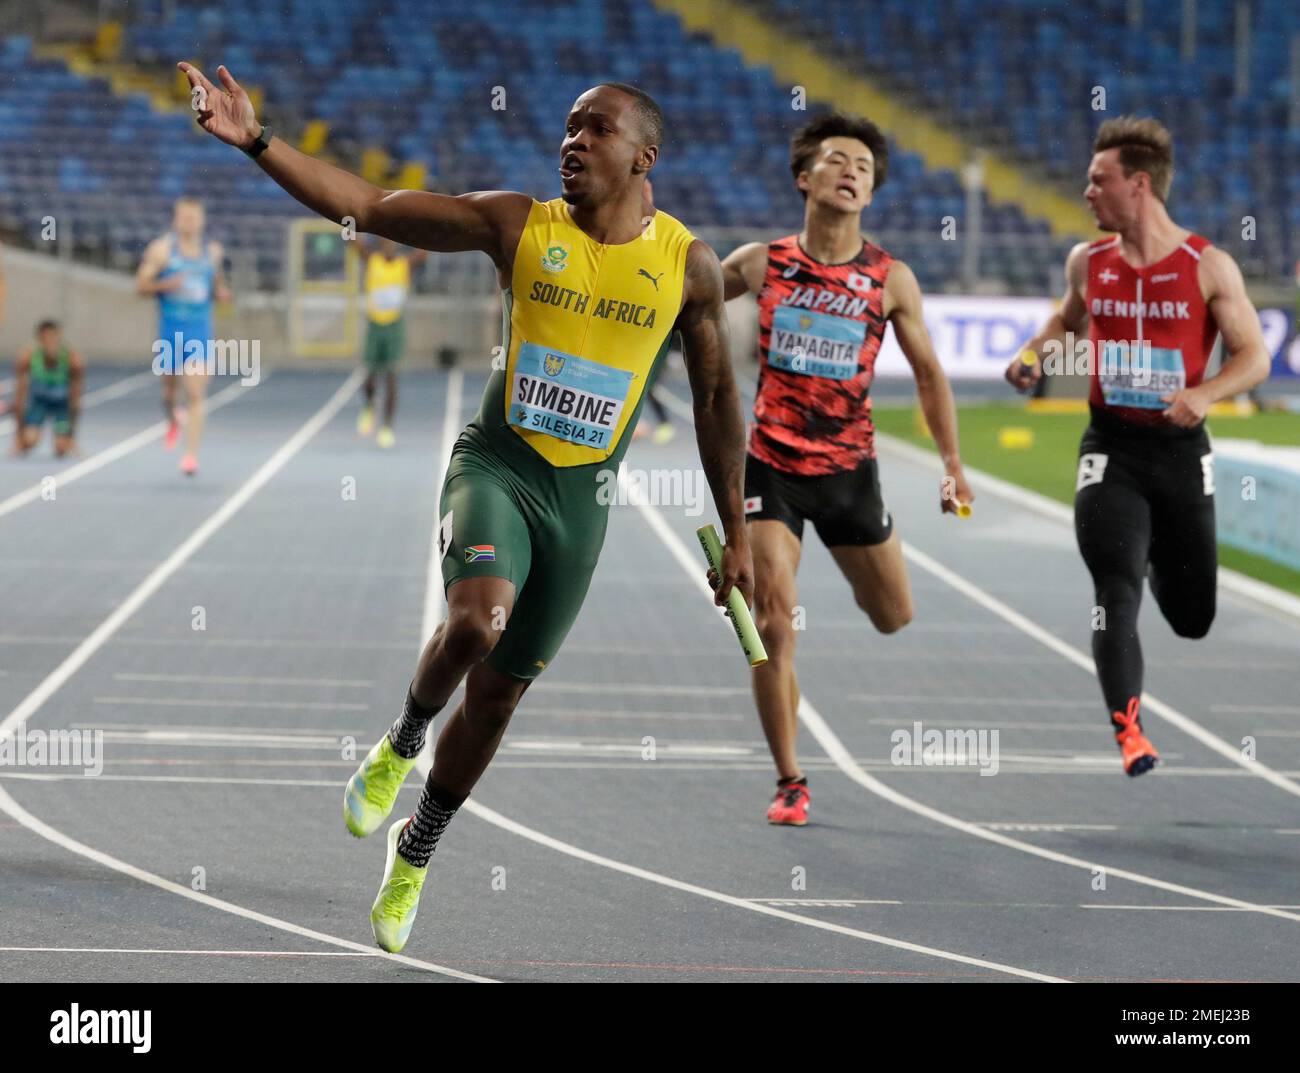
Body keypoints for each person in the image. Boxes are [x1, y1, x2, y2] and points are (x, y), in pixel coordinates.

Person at [180, 61, 754, 952]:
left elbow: (717, 403)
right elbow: (369, 207)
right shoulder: (516, 224)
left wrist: (739, 531)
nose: (572, 140)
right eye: (567, 125)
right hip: (497, 466)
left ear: (645, 155)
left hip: (582, 503)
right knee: (477, 623)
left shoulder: (690, 268)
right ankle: (403, 736)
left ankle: (416, 851)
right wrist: (256, 139)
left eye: (595, 129)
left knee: (495, 702)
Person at [720, 113, 972, 825]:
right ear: (805, 178)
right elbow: (680, 303)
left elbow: (929, 375)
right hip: (771, 467)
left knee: (894, 615)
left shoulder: (890, 279)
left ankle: (790, 691)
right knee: (772, 622)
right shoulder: (760, 263)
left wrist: (952, 465)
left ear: (871, 190)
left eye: (863, 164)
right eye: (836, 158)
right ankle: (791, 778)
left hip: (850, 472)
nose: (851, 170)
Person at [1007, 116, 1270, 775]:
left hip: (1180, 452)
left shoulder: (1207, 265)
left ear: (1140, 184)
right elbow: (1067, 318)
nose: (1086, 191)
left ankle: (1155, 554)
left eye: (1100, 180)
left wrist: (1206, 393)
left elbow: (1255, 357)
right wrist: (1034, 354)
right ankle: (1129, 728)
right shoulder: (1086, 262)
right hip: (1111, 448)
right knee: (1113, 583)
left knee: (1192, 617)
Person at [135, 197, 232, 476]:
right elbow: (140, 286)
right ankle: (172, 417)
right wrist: (166, 284)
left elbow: (216, 284)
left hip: (199, 333)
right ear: (176, 220)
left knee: (195, 393)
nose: (189, 222)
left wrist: (222, 293)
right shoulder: (162, 250)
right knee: (168, 394)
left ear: (202, 220)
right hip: (170, 333)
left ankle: (190, 456)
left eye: (194, 217)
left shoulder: (211, 252)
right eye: (184, 217)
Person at [356, 235, 426, 447]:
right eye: (385, 243)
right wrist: (350, 220)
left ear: (397, 246)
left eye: (392, 243)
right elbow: (353, 241)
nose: (389, 247)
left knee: (391, 379)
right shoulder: (372, 260)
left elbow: (424, 253)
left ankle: (387, 427)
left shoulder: (404, 265)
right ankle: (369, 406)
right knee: (369, 377)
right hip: (375, 325)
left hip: (395, 327)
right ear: (379, 245)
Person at [12, 320, 83, 458]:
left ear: (58, 337)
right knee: (29, 441)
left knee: (61, 449)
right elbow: (20, 396)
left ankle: (63, 438)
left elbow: (76, 397)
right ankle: (26, 438)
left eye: (53, 337)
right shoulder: (28, 357)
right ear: (39, 339)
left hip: (61, 405)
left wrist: (71, 434)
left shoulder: (71, 358)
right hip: (39, 403)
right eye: (46, 338)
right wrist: (19, 434)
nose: (50, 342)